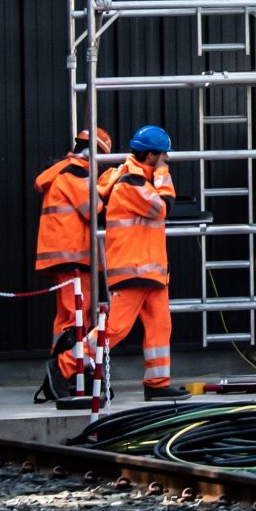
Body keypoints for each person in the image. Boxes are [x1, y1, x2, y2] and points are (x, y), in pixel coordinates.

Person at [51, 124, 184, 402]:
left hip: (152, 270)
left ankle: (157, 383)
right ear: (150, 156)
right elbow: (163, 209)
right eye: (163, 157)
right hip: (133, 270)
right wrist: (163, 176)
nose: (167, 161)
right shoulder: (130, 183)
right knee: (115, 329)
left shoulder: (137, 180)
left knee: (160, 327)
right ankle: (62, 366)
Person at [32, 128, 106, 377]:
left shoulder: (63, 171)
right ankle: (66, 371)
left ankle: (62, 368)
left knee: (67, 316)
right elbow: (93, 209)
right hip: (73, 256)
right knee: (75, 316)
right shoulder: (76, 173)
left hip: (65, 256)